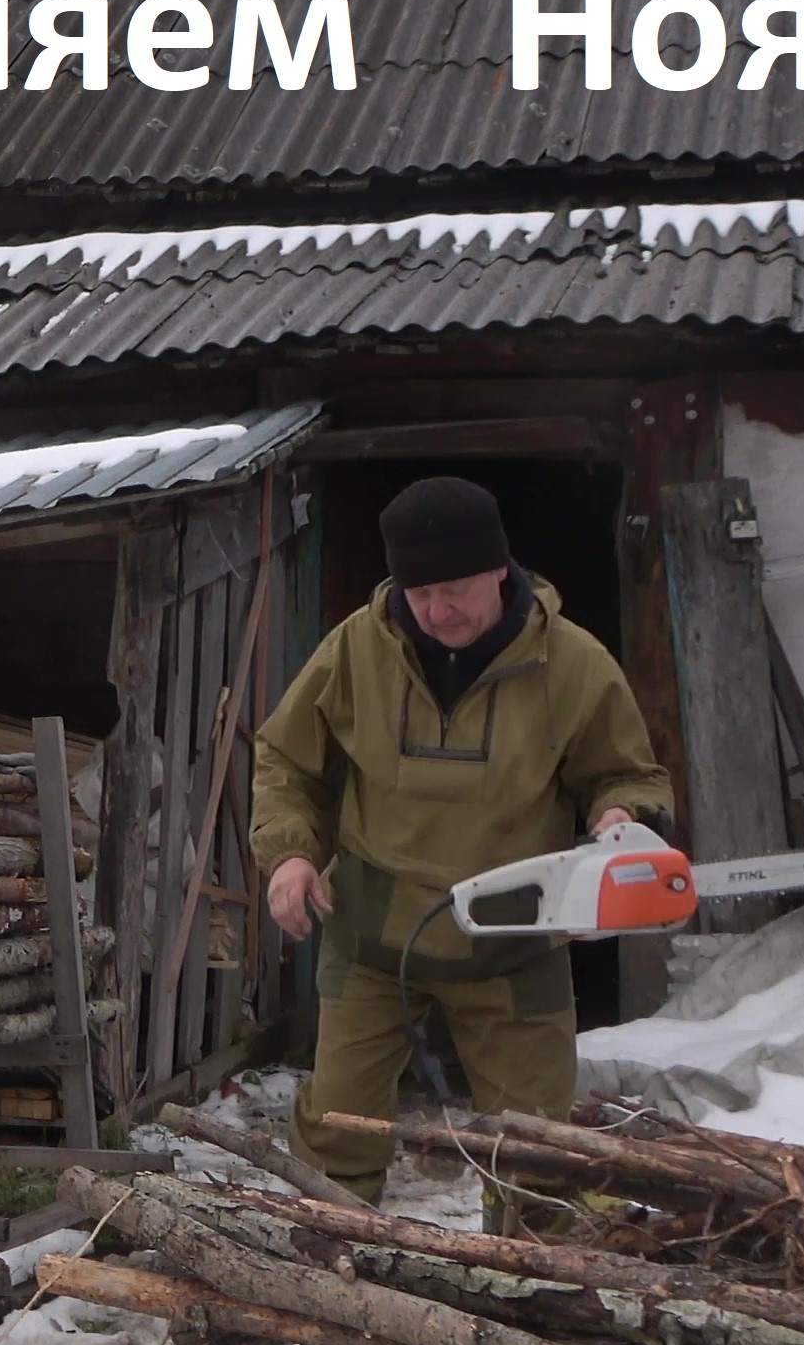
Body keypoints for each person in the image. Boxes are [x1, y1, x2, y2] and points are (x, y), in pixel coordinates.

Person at [249, 475, 674, 1197]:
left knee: (540, 1152)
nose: (438, 611)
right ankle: (326, 1269)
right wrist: (290, 853)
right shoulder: (355, 650)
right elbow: (287, 759)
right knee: (337, 1126)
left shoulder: (572, 664)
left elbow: (629, 775)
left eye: (456, 590)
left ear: (499, 572)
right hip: (375, 934)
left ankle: (539, 1292)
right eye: (421, 595)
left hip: (517, 937)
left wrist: (622, 820)